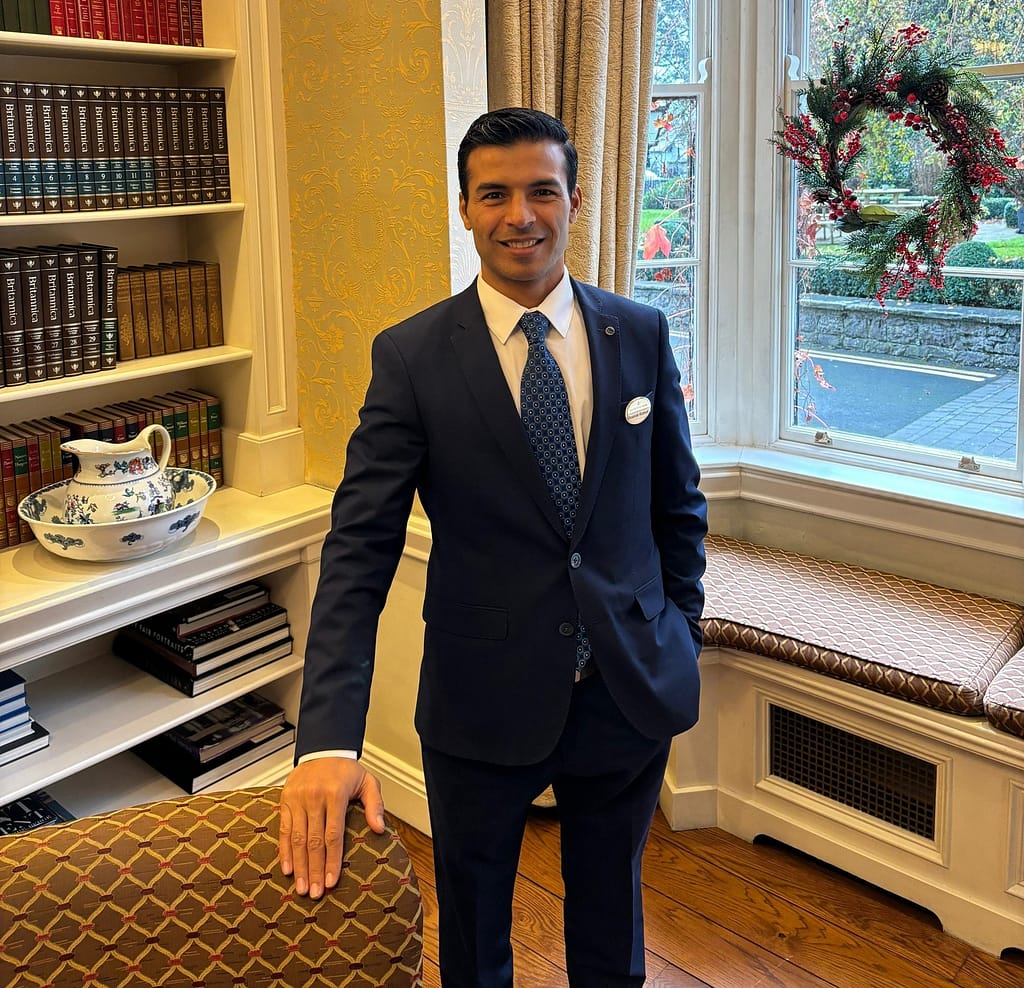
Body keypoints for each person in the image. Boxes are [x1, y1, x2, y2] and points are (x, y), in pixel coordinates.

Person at [278, 107, 708, 987]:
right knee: (474, 940)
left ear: (575, 201)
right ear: (465, 208)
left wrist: (679, 630)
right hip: (479, 701)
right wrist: (327, 740)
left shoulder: (641, 334)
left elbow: (678, 506)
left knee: (612, 920)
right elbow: (358, 551)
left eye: (542, 191)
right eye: (495, 195)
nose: (521, 216)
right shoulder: (412, 358)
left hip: (626, 688)